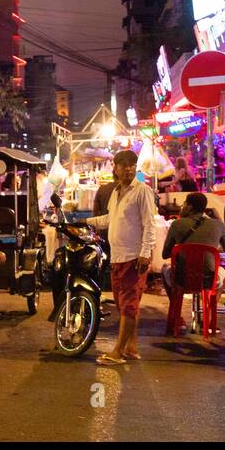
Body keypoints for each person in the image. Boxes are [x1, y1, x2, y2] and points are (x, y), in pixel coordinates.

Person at [85, 149, 157, 366]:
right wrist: (88, 222)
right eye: (124, 165)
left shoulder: (142, 191)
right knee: (124, 303)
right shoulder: (116, 192)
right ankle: (132, 347)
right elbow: (110, 219)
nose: (128, 169)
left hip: (133, 257)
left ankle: (118, 351)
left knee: (128, 305)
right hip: (117, 256)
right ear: (114, 167)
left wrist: (145, 253)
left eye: (132, 165)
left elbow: (149, 224)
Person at [161, 192, 225, 293]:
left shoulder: (176, 225)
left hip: (182, 280)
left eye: (183, 204)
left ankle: (174, 303)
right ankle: (212, 304)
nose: (181, 208)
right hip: (209, 280)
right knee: (224, 267)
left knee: (164, 267)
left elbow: (165, 254)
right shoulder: (218, 224)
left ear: (189, 207)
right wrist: (219, 220)